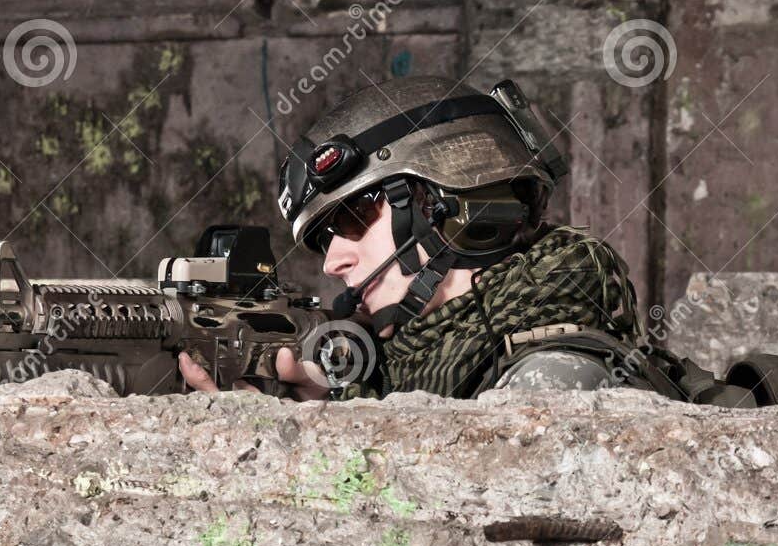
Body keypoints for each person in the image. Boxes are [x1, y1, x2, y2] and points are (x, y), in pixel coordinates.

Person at [178, 76, 648, 401]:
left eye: (351, 219)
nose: (332, 263)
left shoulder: (555, 380)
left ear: (449, 207)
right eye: (324, 240)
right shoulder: (416, 372)